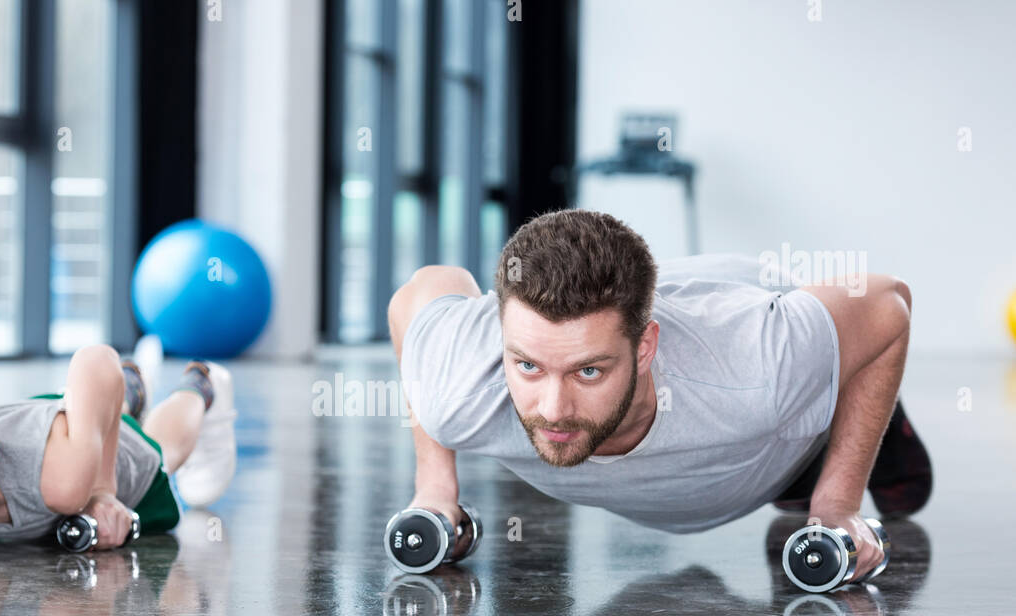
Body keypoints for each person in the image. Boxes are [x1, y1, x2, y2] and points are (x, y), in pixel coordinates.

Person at [390, 208, 931, 581]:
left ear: (645, 349)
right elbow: (421, 290)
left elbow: (889, 303)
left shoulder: (758, 363)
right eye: (528, 366)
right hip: (718, 407)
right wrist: (435, 488)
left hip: (767, 376)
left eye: (588, 372)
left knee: (868, 457)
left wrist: (837, 504)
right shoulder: (462, 380)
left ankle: (828, 438)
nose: (552, 410)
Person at [0, 341, 238, 556]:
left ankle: (200, 385)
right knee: (89, 422)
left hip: (74, 450)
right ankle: (132, 387)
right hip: (58, 424)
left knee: (163, 450)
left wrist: (100, 491)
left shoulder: (64, 483)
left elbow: (97, 361)